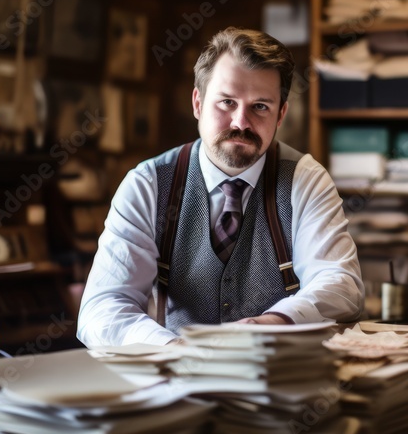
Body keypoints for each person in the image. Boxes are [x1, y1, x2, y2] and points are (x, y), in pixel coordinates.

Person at [77, 27, 364, 347]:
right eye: (227, 102)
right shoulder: (149, 184)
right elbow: (102, 309)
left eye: (260, 107)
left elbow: (342, 287)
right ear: (198, 103)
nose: (241, 122)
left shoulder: (305, 180)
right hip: (175, 377)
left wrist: (272, 322)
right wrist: (174, 349)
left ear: (280, 114)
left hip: (276, 379)